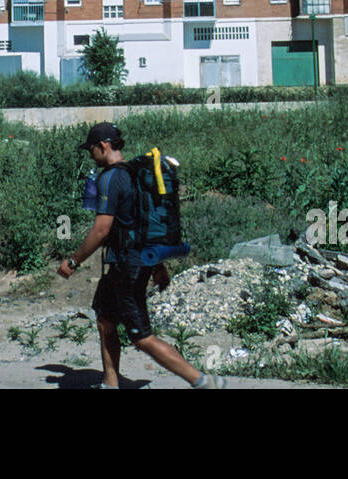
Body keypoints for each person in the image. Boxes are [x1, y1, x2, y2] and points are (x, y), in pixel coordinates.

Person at [57, 122, 226, 389]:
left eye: (91, 149)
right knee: (105, 320)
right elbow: (145, 225)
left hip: (128, 265)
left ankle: (203, 381)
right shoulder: (135, 175)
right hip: (135, 260)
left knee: (141, 336)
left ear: (103, 146)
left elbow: (101, 229)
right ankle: (110, 384)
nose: (90, 155)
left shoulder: (111, 178)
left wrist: (74, 261)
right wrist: (158, 267)